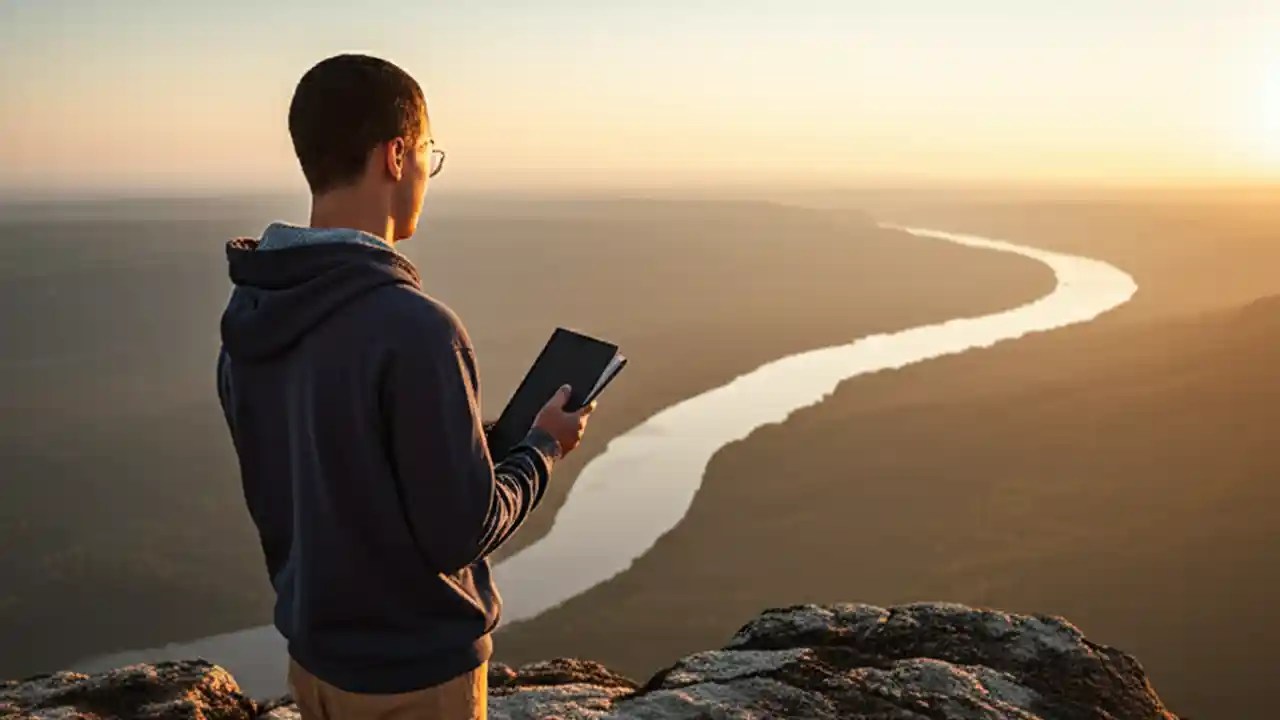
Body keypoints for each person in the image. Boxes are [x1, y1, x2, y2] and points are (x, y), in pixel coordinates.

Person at [216, 53, 594, 720]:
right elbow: (461, 532)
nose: (426, 174)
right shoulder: (416, 329)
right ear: (395, 155)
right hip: (416, 681)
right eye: (427, 154)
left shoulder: (252, 314)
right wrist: (542, 448)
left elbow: (337, 476)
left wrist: (476, 444)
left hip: (315, 669)